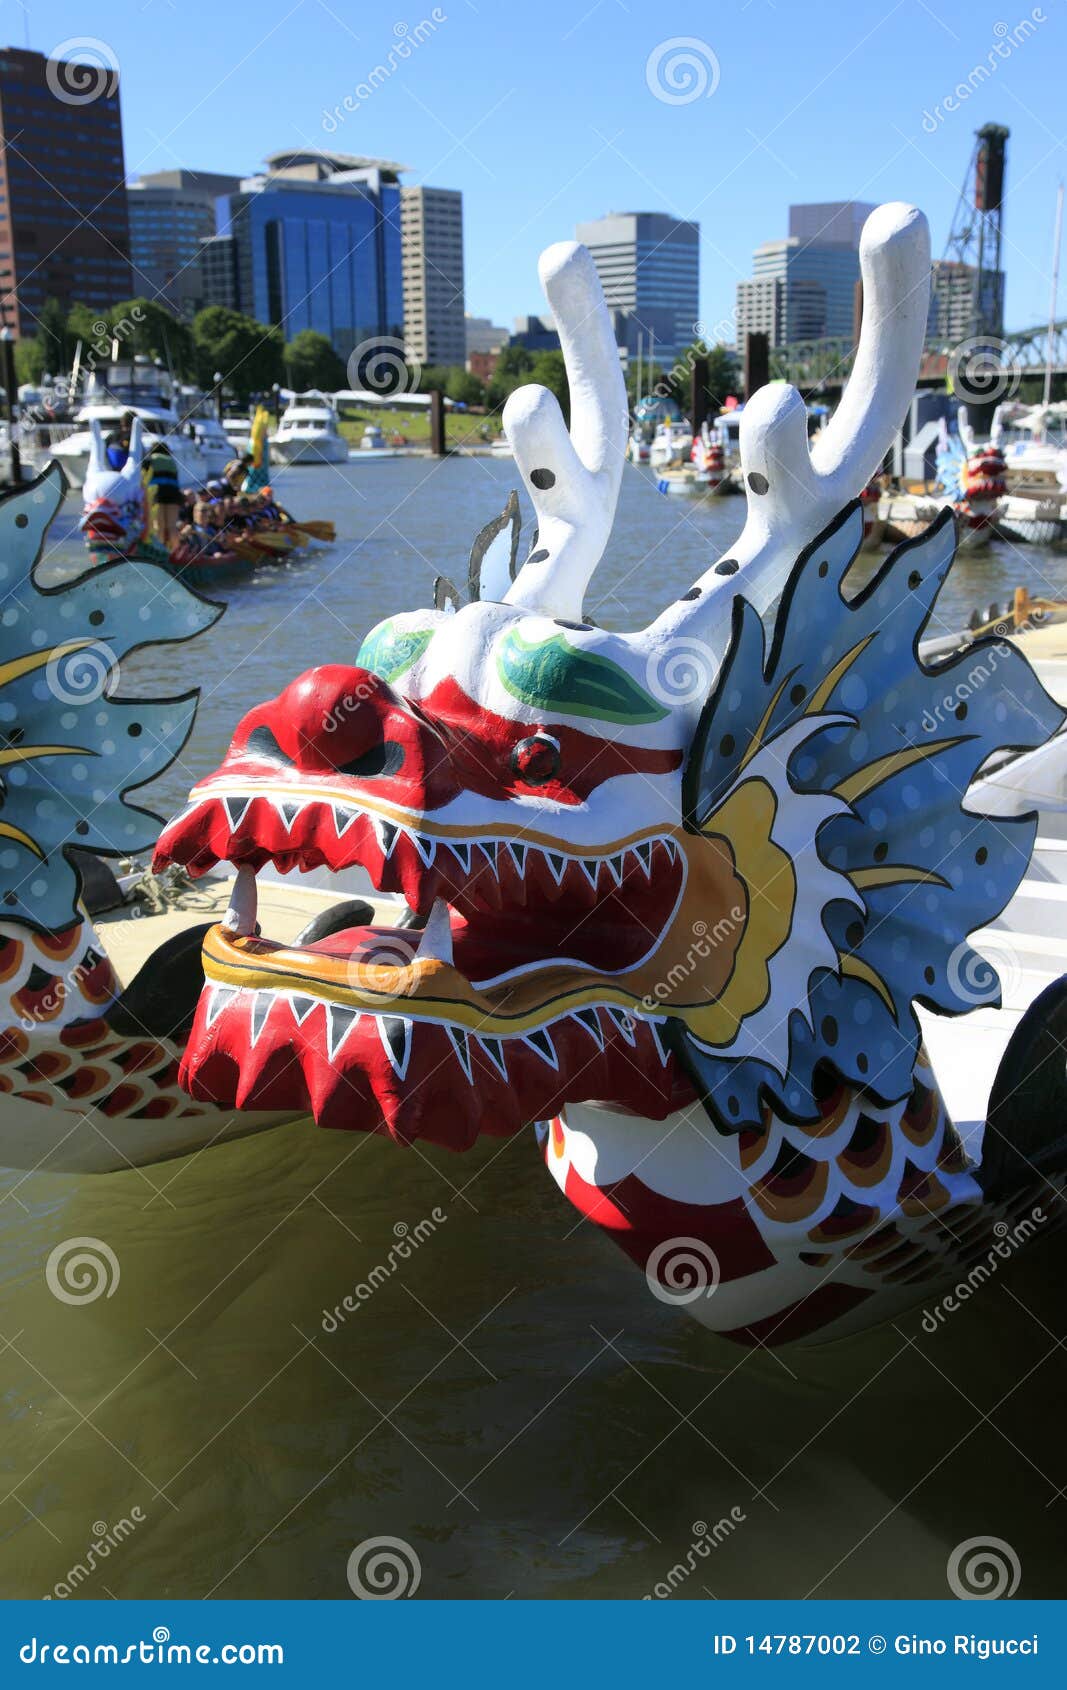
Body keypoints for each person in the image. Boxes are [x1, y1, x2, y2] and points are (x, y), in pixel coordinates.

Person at [142, 438, 183, 548]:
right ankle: (175, 551)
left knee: (159, 525)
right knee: (172, 526)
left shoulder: (150, 459)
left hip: (157, 493)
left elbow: (144, 478)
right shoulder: (171, 461)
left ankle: (160, 551)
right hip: (174, 494)